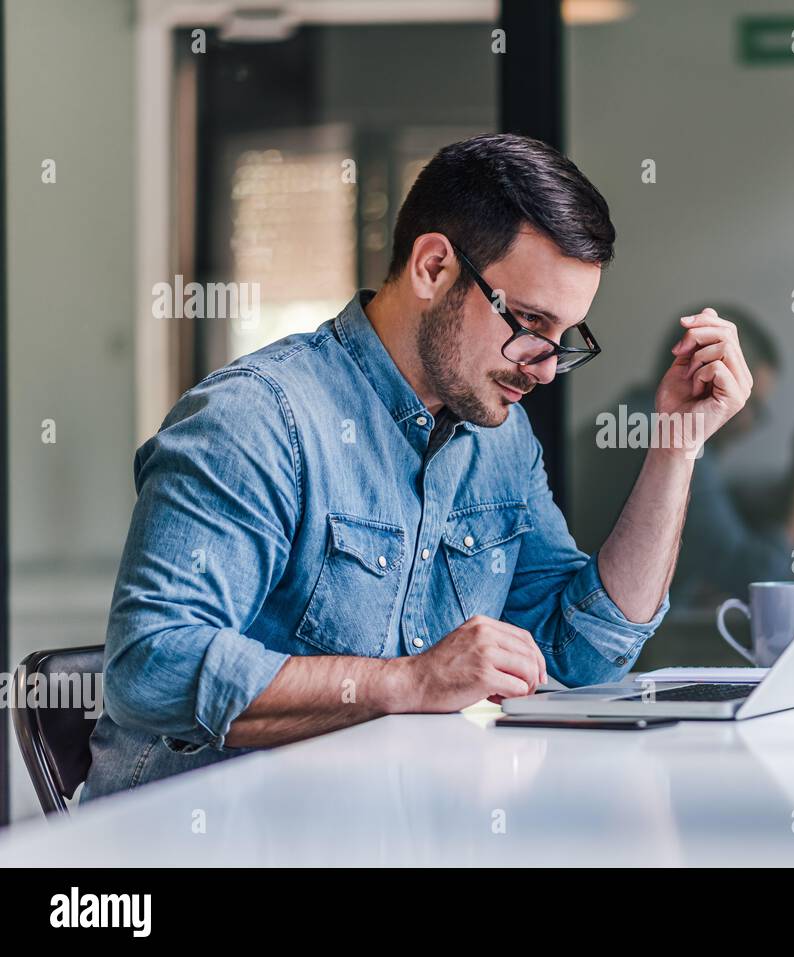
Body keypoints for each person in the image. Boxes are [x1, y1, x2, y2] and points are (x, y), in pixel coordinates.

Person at [83, 133, 754, 798]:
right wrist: (410, 682)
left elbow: (580, 655)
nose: (547, 367)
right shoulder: (257, 418)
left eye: (564, 337)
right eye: (527, 320)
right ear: (433, 267)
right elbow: (151, 665)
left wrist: (677, 443)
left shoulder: (501, 440)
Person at [572, 306, 794, 608]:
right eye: (752, 406)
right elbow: (759, 578)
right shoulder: (670, 440)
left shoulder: (621, 420)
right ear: (710, 379)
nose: (751, 426)